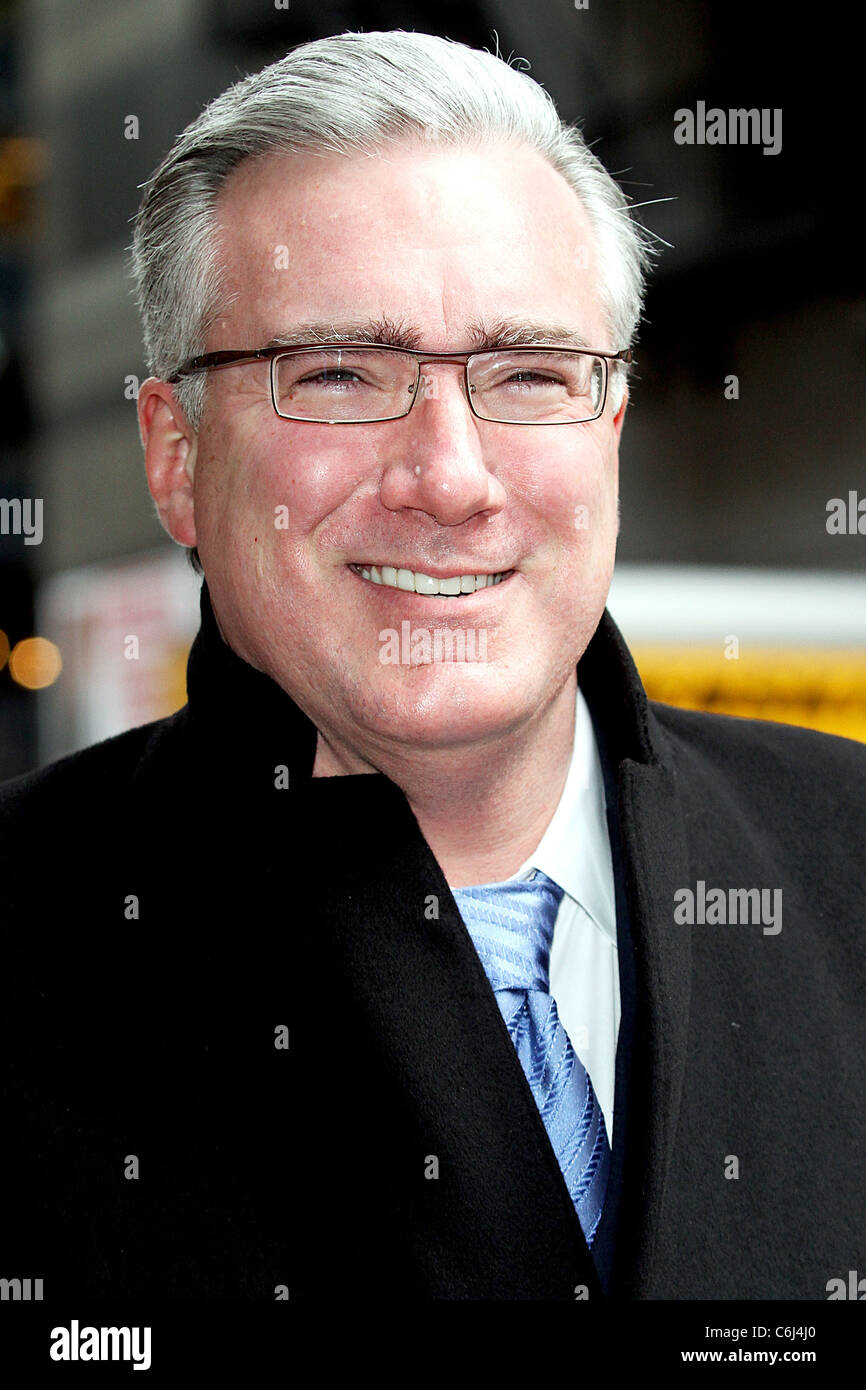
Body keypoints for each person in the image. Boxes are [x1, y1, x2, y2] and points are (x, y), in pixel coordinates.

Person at [1, 29, 864, 1304]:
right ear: (175, 455)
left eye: (527, 374)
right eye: (340, 375)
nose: (450, 478)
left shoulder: (841, 851)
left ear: (609, 431)